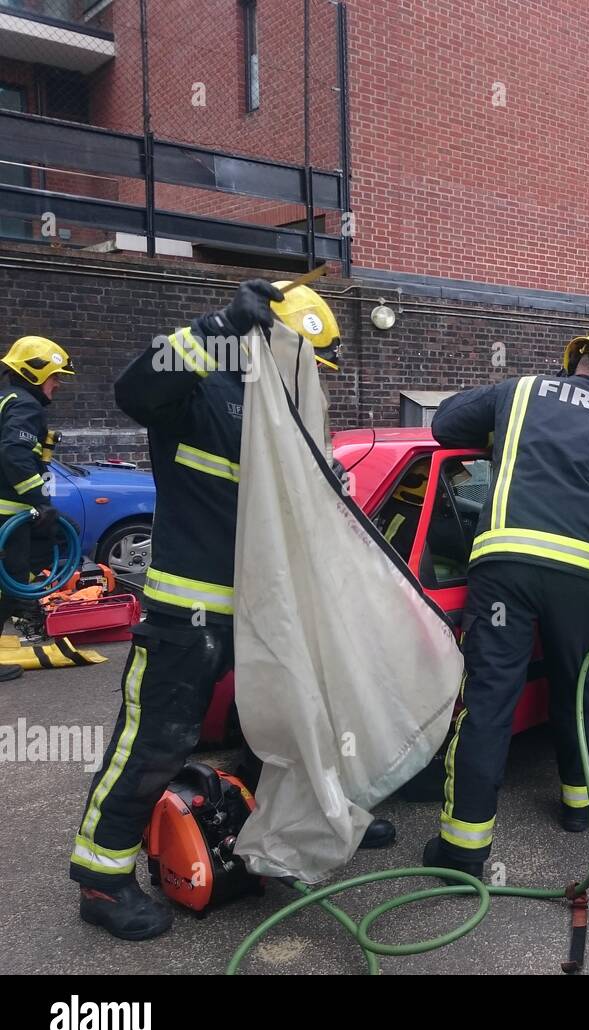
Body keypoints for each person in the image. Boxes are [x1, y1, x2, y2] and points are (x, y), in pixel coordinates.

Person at [70, 279, 397, 942]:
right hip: (186, 614)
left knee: (288, 728)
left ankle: (301, 829)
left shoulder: (293, 412)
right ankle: (102, 880)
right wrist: (214, 327)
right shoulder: (202, 387)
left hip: (269, 616)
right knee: (157, 740)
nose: (312, 378)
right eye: (306, 359)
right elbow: (135, 390)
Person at [422, 327, 589, 879]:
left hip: (503, 565)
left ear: (574, 361)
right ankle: (581, 810)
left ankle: (463, 851)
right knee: (577, 688)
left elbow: (443, 424)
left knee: (488, 701)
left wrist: (500, 440)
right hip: (576, 576)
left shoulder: (521, 390)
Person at [1, 337, 75, 677]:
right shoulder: (25, 406)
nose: (58, 384)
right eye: (55, 376)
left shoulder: (8, 400)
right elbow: (15, 455)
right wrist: (40, 502)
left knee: (14, 582)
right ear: (35, 373)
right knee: (11, 584)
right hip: (8, 514)